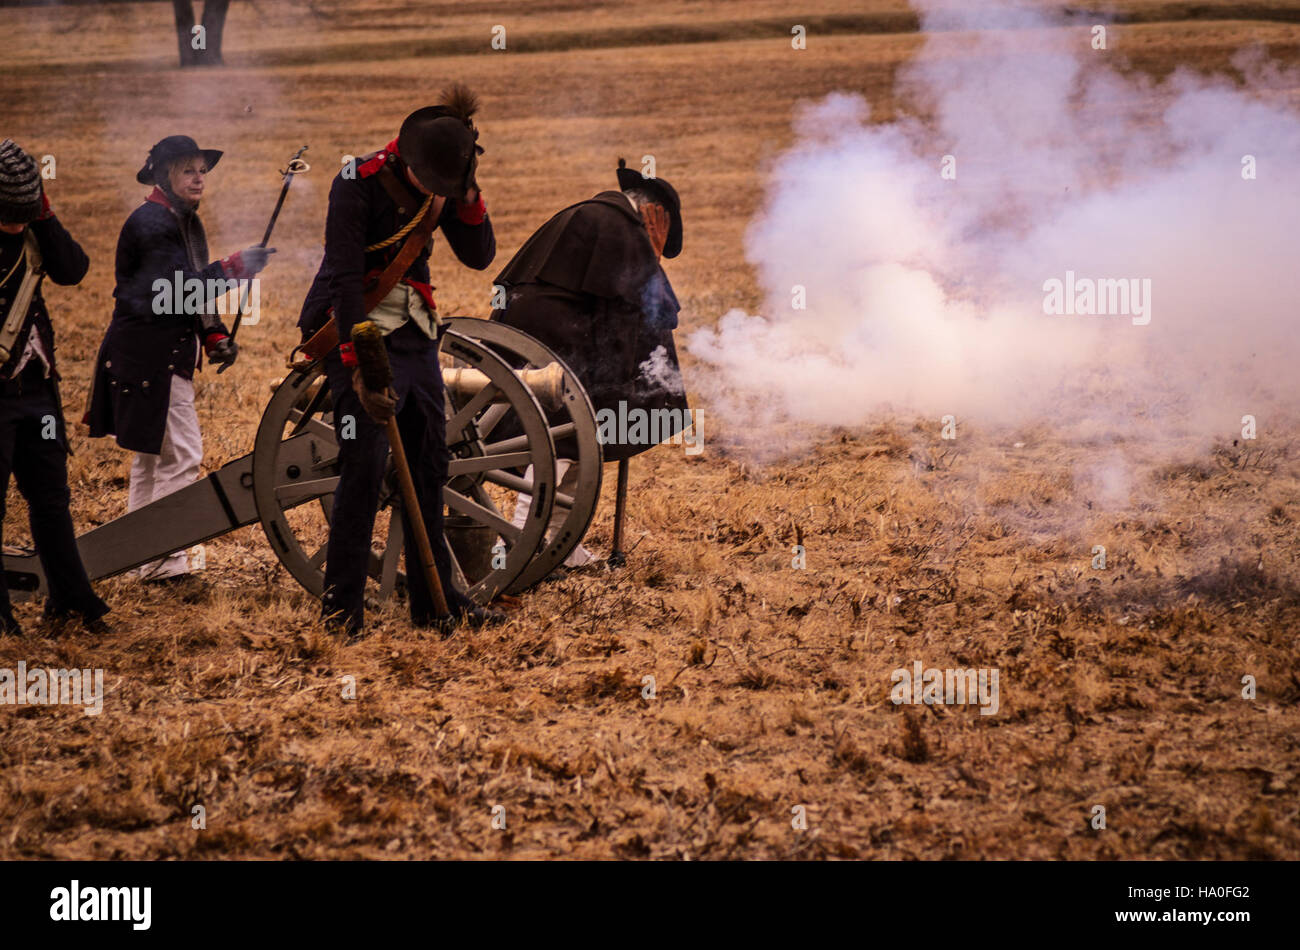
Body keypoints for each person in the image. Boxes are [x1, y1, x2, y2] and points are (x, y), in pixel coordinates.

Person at [295, 84, 504, 638]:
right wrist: (359, 365)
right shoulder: (356, 184)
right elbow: (342, 277)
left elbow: (480, 256)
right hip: (351, 324)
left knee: (430, 465)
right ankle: (342, 609)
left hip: (413, 331)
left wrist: (468, 195)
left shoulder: (445, 188)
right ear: (406, 158)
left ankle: (436, 602)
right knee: (363, 470)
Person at [85, 135, 273, 582]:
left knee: (154, 458)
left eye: (202, 170)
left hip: (154, 353)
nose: (199, 178)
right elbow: (175, 293)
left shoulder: (183, 221)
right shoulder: (151, 222)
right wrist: (234, 268)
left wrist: (212, 337)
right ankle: (165, 563)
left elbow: (186, 293)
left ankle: (139, 560)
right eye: (188, 170)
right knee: (182, 455)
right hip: (150, 356)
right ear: (165, 175)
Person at [491, 158, 690, 565]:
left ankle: (560, 542)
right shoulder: (619, 225)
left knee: (585, 438)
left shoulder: (597, 216)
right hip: (557, 347)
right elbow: (651, 311)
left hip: (545, 340)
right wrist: (649, 255)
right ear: (655, 214)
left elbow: (628, 306)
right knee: (564, 438)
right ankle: (520, 540)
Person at [0, 138, 109, 635]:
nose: (17, 223)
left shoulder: (32, 228)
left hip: (37, 389)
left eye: (25, 211)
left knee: (51, 497)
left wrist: (44, 217)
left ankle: (71, 600)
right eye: (11, 214)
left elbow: (73, 269)